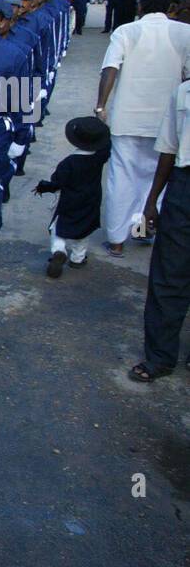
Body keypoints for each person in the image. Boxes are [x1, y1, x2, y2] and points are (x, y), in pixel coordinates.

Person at [95, 0, 190, 257]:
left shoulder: (126, 32)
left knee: (122, 177)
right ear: (171, 8)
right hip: (167, 120)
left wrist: (102, 105)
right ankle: (143, 230)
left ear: (140, 6)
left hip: (128, 116)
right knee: (156, 178)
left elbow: (110, 68)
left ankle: (116, 240)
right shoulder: (185, 33)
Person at [129, 78, 190, 382]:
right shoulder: (184, 92)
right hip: (184, 187)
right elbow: (169, 148)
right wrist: (152, 201)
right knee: (169, 276)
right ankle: (160, 356)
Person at [33, 117, 111, 278]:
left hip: (68, 202)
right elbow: (107, 146)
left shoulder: (68, 163)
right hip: (91, 200)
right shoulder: (100, 157)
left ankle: (59, 251)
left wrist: (42, 186)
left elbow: (57, 183)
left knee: (58, 228)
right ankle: (78, 258)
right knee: (83, 231)